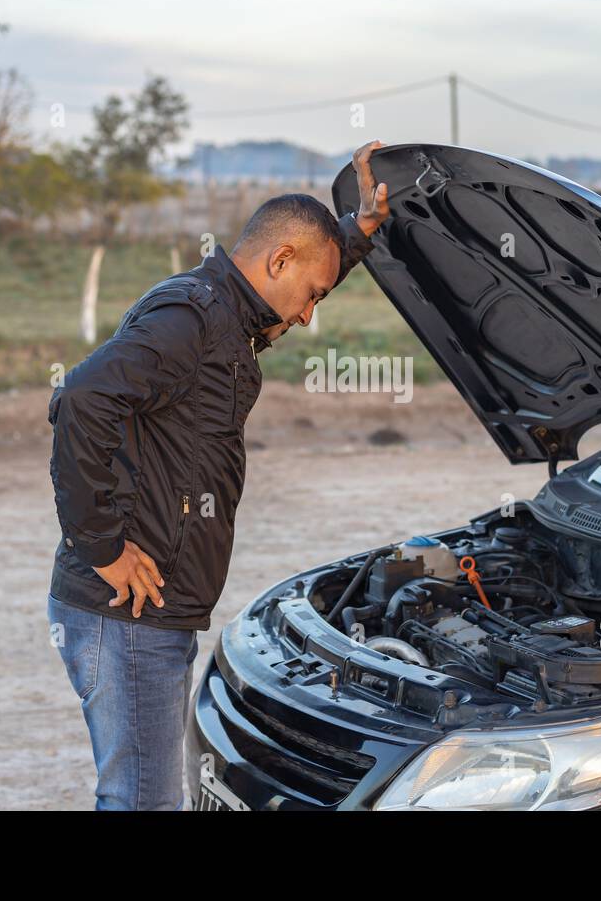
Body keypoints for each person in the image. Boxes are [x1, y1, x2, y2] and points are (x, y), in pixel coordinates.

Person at [47, 141, 390, 809]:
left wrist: (355, 237)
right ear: (278, 259)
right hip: (130, 614)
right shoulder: (195, 321)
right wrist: (104, 547)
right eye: (311, 294)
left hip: (152, 614)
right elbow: (82, 399)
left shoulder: (230, 315)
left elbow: (293, 288)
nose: (308, 314)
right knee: (142, 800)